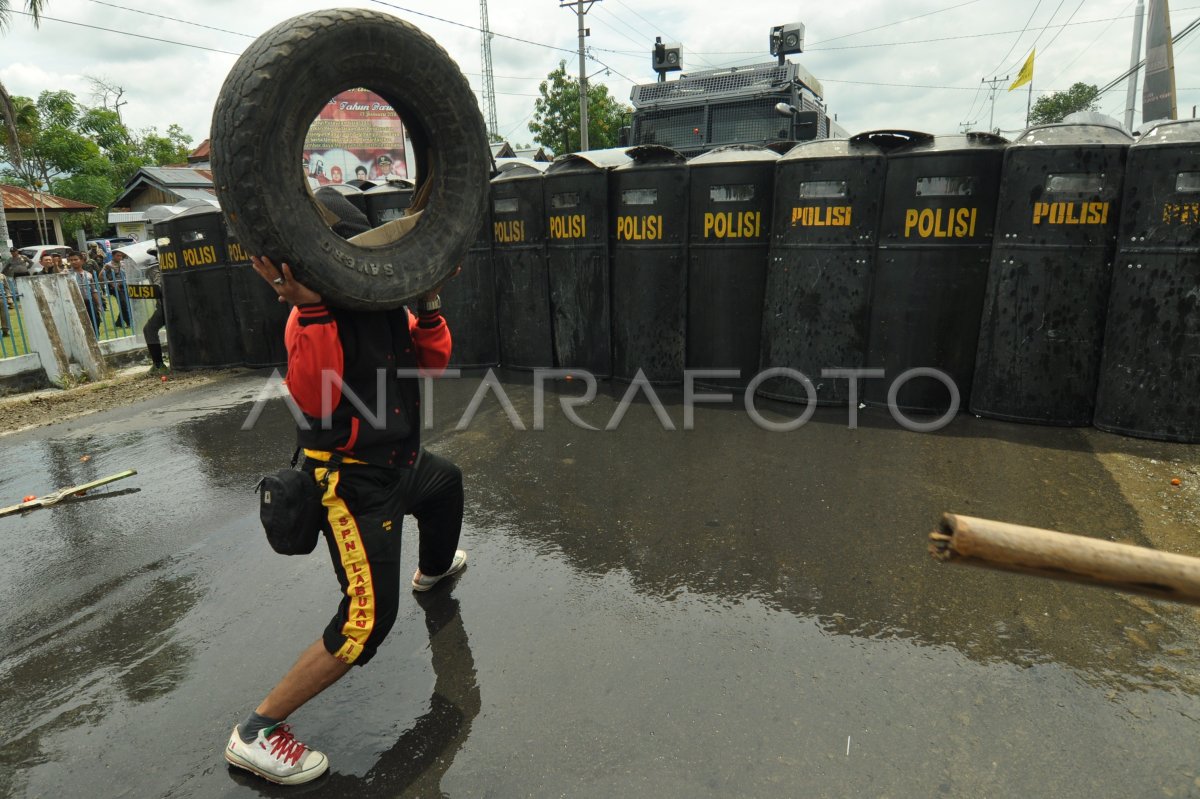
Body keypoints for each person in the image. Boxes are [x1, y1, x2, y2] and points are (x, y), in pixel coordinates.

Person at [224, 189, 467, 786]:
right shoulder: (309, 316)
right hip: (349, 482)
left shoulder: (384, 302)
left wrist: (429, 303)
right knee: (368, 620)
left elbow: (431, 366)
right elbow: (319, 398)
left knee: (445, 486)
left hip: (398, 463)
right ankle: (256, 732)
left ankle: (432, 572)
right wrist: (308, 309)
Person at [142, 248, 168, 372]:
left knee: (149, 329)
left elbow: (158, 286)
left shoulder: (154, 268)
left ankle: (158, 364)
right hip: (166, 305)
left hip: (165, 307)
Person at [66, 250, 103, 334]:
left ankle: (96, 338)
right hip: (75, 303)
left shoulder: (88, 274)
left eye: (75, 259)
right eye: (71, 260)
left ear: (82, 260)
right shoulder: (66, 274)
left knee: (95, 320)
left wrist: (98, 304)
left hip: (89, 302)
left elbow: (93, 290)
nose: (73, 262)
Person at [103, 250, 133, 329]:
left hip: (125, 286)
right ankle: (129, 323)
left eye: (121, 256)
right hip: (115, 288)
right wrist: (112, 283)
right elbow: (101, 276)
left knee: (128, 304)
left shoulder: (123, 263)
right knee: (123, 303)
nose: (119, 257)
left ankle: (119, 322)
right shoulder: (108, 265)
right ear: (113, 256)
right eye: (118, 255)